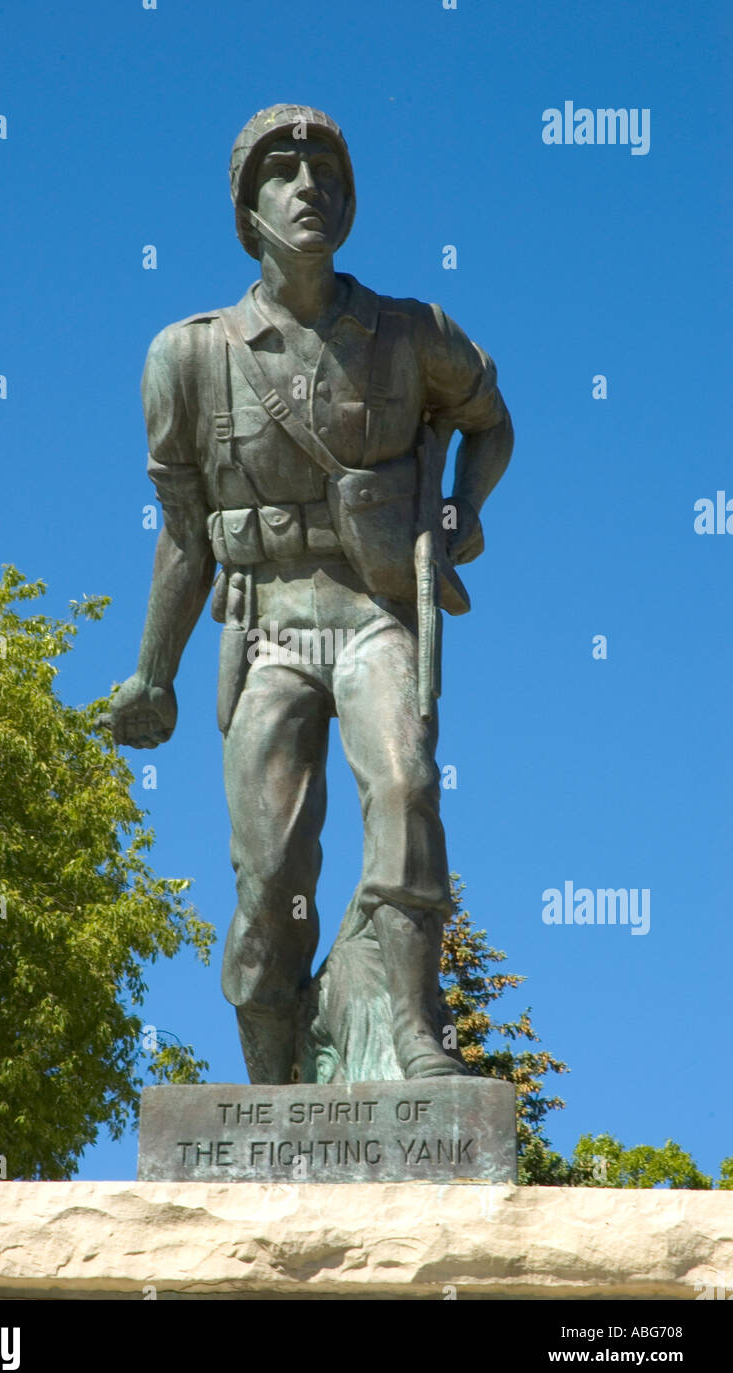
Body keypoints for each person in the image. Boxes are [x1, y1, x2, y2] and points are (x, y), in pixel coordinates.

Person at [98, 104, 513, 1084]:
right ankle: (276, 1078)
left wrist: (459, 512)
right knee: (271, 874)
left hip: (374, 615)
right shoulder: (189, 357)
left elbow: (491, 420)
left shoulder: (412, 335)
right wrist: (152, 675)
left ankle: (412, 1028)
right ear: (247, 210)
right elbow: (186, 535)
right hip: (267, 628)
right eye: (283, 173)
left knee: (407, 789)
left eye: (325, 171)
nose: (308, 188)